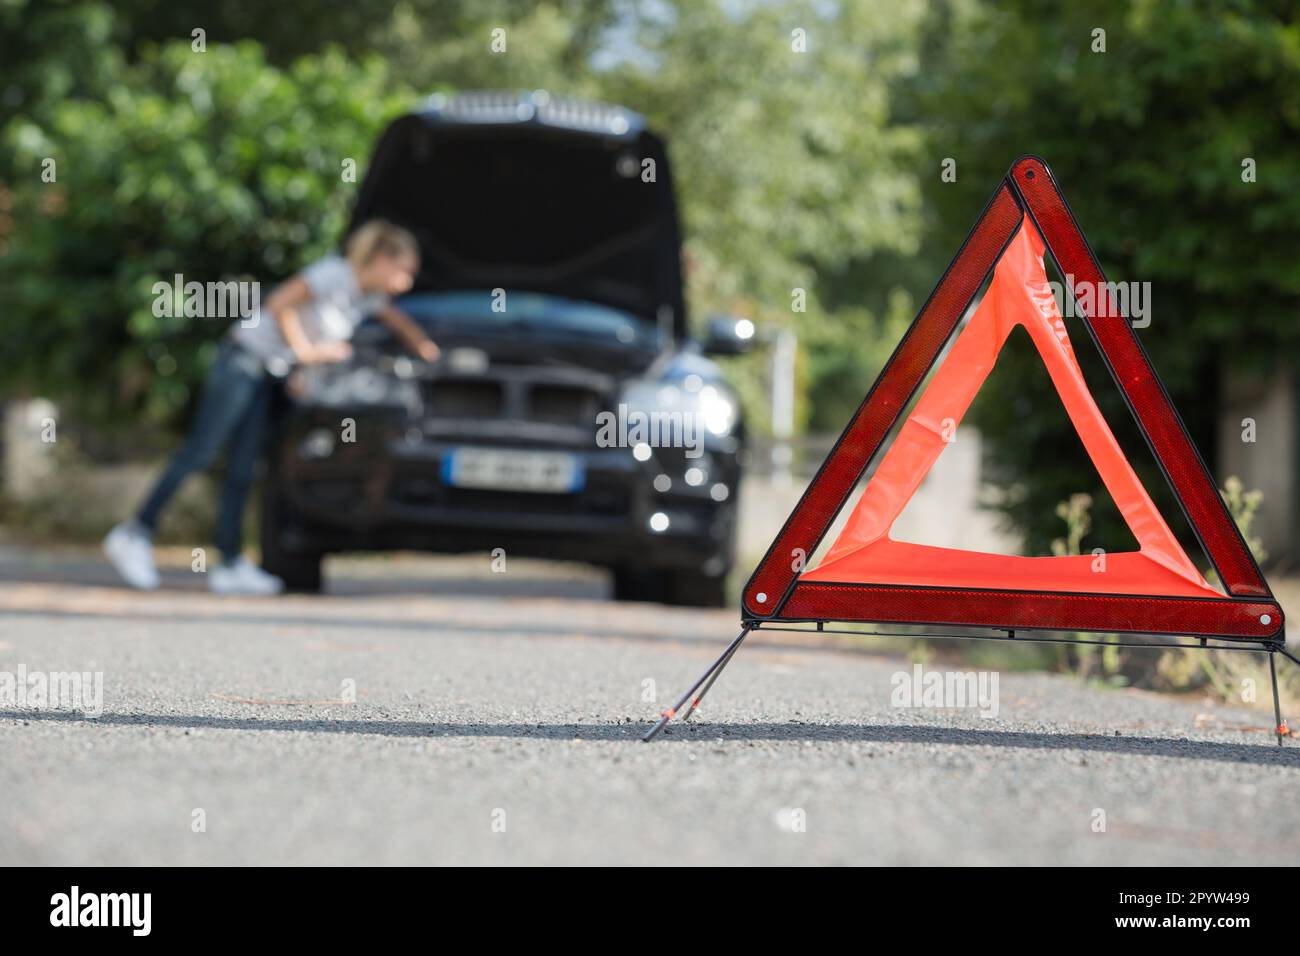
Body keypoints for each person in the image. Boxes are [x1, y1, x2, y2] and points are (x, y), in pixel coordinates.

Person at [104, 220, 439, 594]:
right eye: (404, 270)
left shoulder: (366, 298)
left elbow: (396, 319)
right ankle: (134, 533)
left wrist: (424, 347)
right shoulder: (333, 274)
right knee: (201, 451)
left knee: (244, 468)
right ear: (380, 258)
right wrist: (307, 354)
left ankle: (229, 564)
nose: (407, 281)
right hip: (242, 360)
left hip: (268, 373)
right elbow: (280, 304)